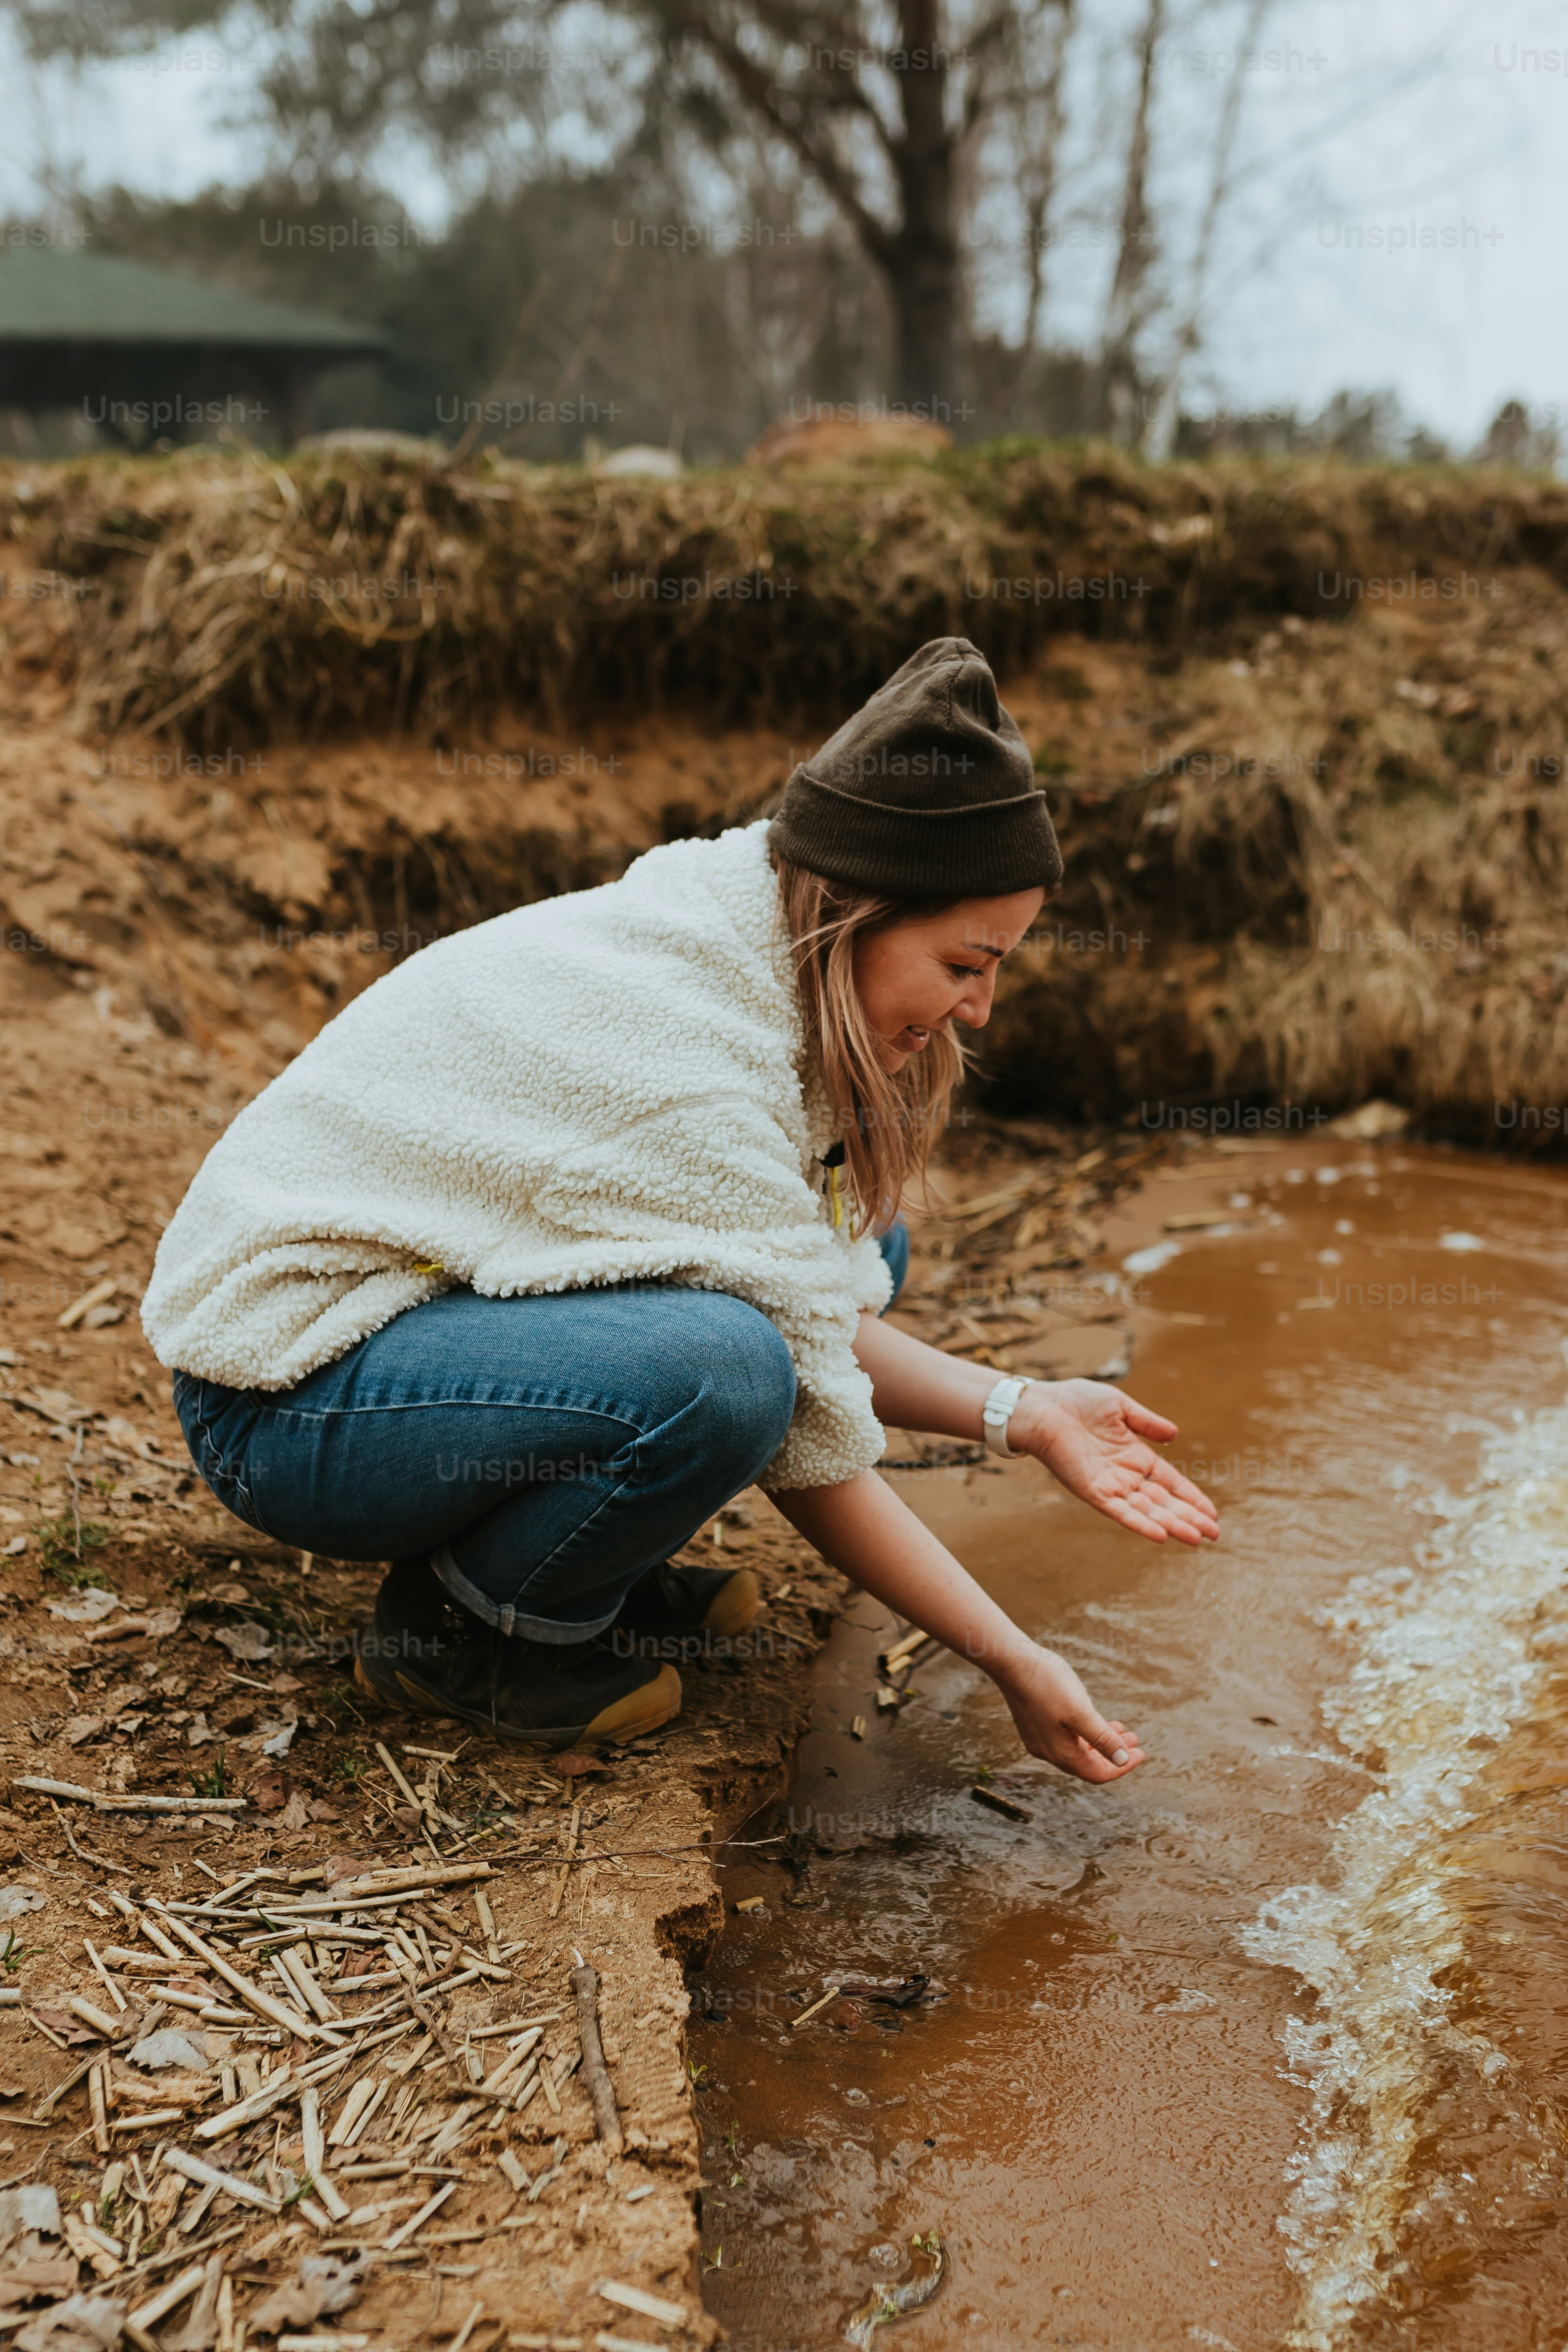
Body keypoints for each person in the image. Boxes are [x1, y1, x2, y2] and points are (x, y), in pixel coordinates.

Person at [144, 637, 1218, 1772]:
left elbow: (816, 1307)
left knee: (859, 1250)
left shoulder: (754, 938)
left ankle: (584, 1557)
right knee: (728, 1370)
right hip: (282, 1400)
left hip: (413, 1333)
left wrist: (1028, 1412)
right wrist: (1011, 1658)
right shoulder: (684, 1057)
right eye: (965, 963)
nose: (982, 1009)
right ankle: (466, 1633)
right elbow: (808, 1416)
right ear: (856, 909)